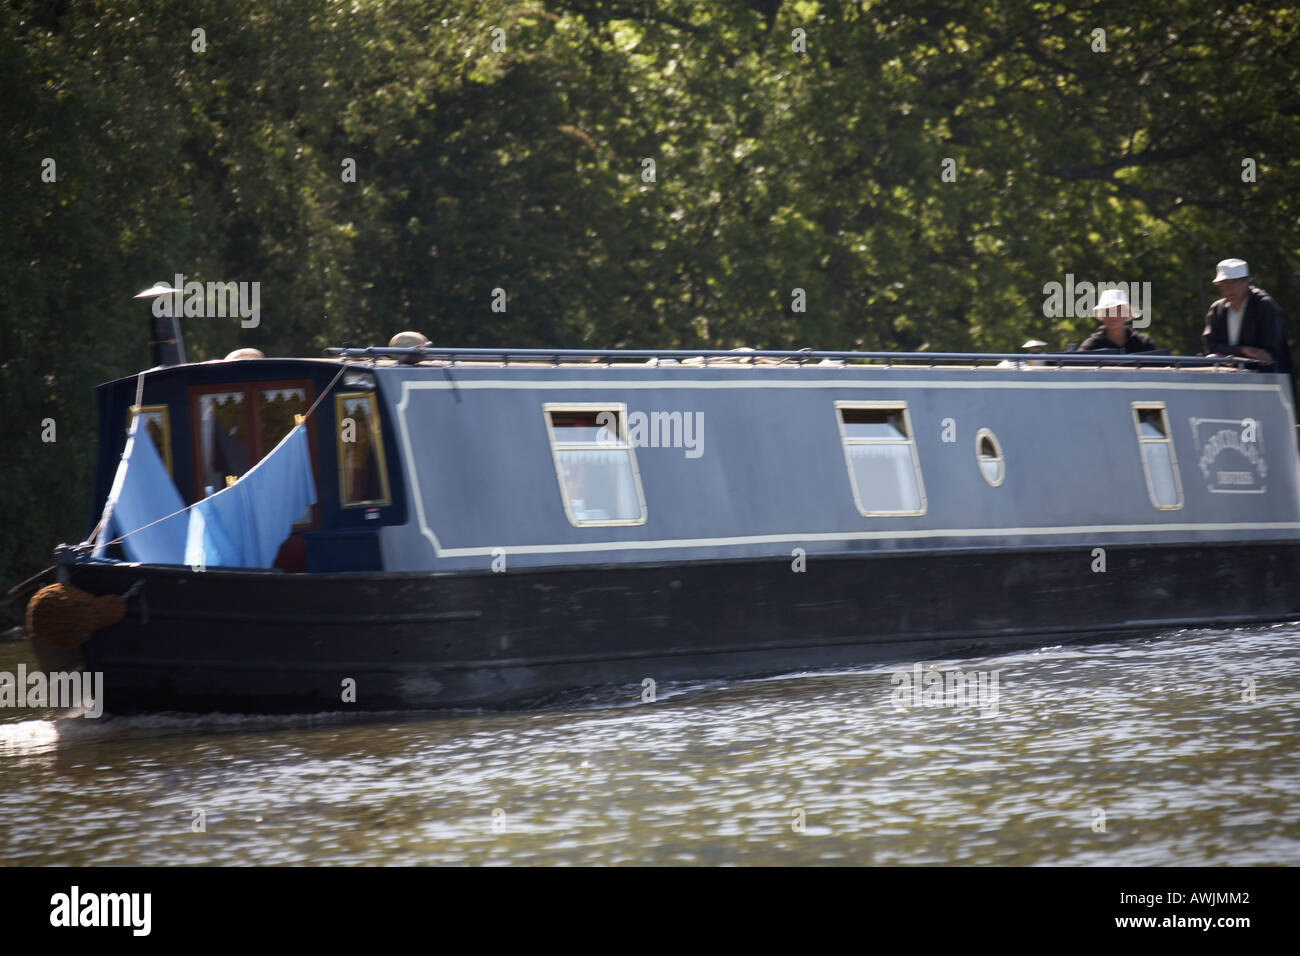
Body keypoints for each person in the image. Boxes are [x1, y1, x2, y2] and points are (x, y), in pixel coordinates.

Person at [1202, 258, 1293, 376]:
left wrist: (1227, 354)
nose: (1229, 289)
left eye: (1235, 282)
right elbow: (1211, 347)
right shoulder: (1217, 309)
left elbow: (1268, 355)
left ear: (1247, 282)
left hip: (1267, 381)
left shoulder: (1264, 306)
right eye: (1224, 284)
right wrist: (1243, 350)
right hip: (1227, 379)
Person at [1078, 289, 1157, 352]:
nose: (1112, 315)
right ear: (1102, 315)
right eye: (1108, 311)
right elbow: (1075, 367)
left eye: (1117, 311)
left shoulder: (1144, 344)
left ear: (1126, 314)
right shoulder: (1091, 346)